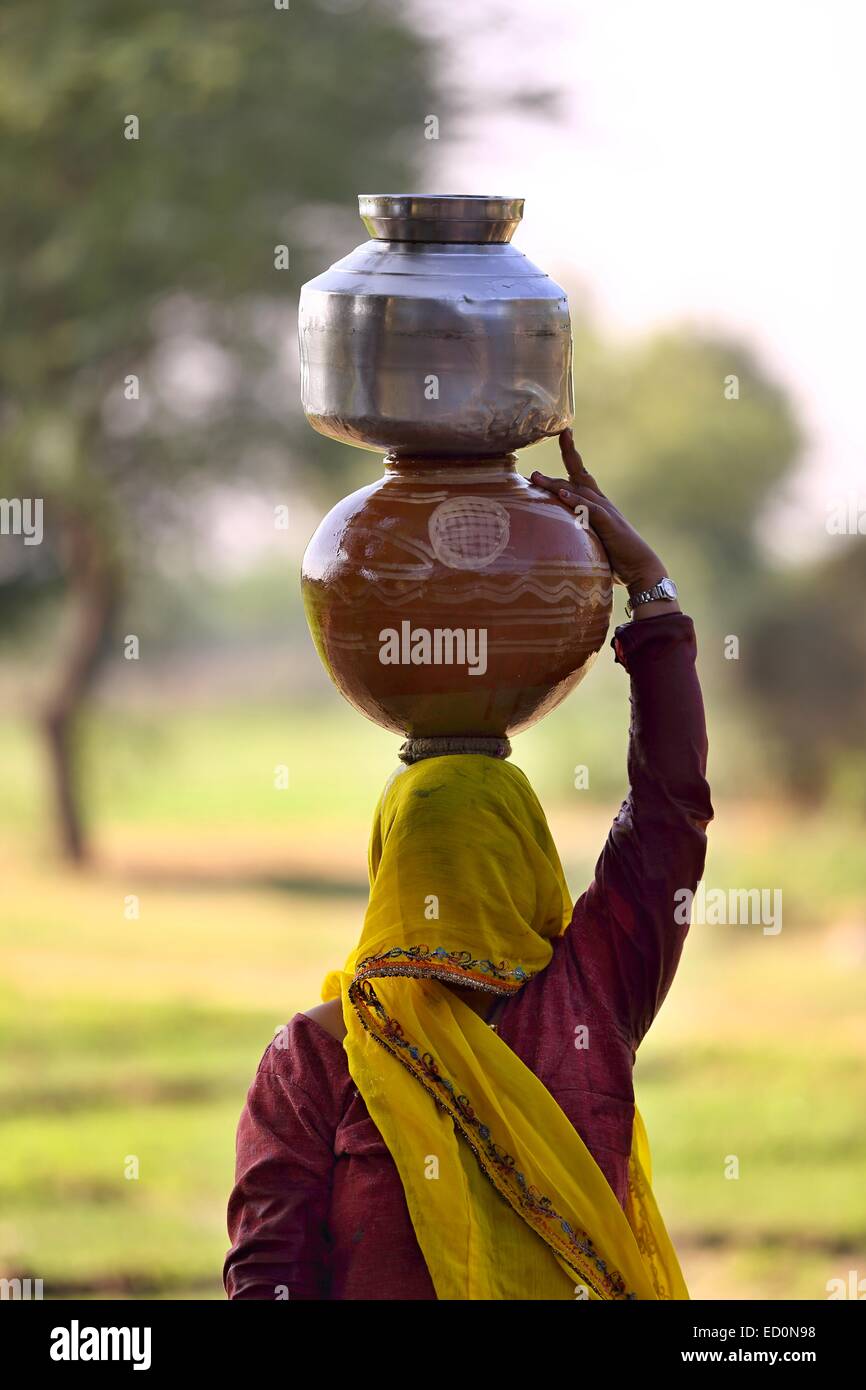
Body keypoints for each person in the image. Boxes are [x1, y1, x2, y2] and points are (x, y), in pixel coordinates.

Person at [224, 430, 713, 1300]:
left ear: (387, 866)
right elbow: (670, 816)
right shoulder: (590, 996)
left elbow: (268, 1276)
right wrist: (650, 593)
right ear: (528, 862)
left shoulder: (316, 1054)